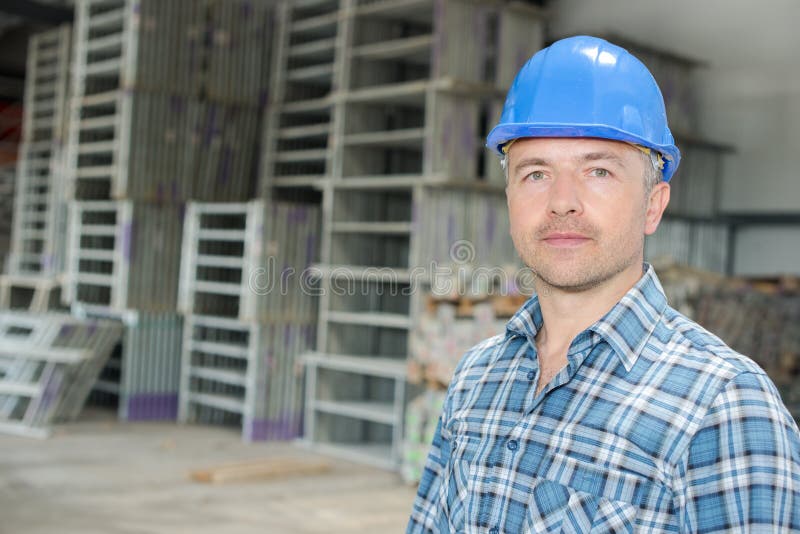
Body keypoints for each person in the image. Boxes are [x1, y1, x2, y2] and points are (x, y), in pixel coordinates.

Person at [407, 35, 800, 533]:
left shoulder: (725, 408)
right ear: (508, 198)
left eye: (598, 171)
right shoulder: (475, 379)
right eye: (535, 173)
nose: (562, 201)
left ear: (653, 205)